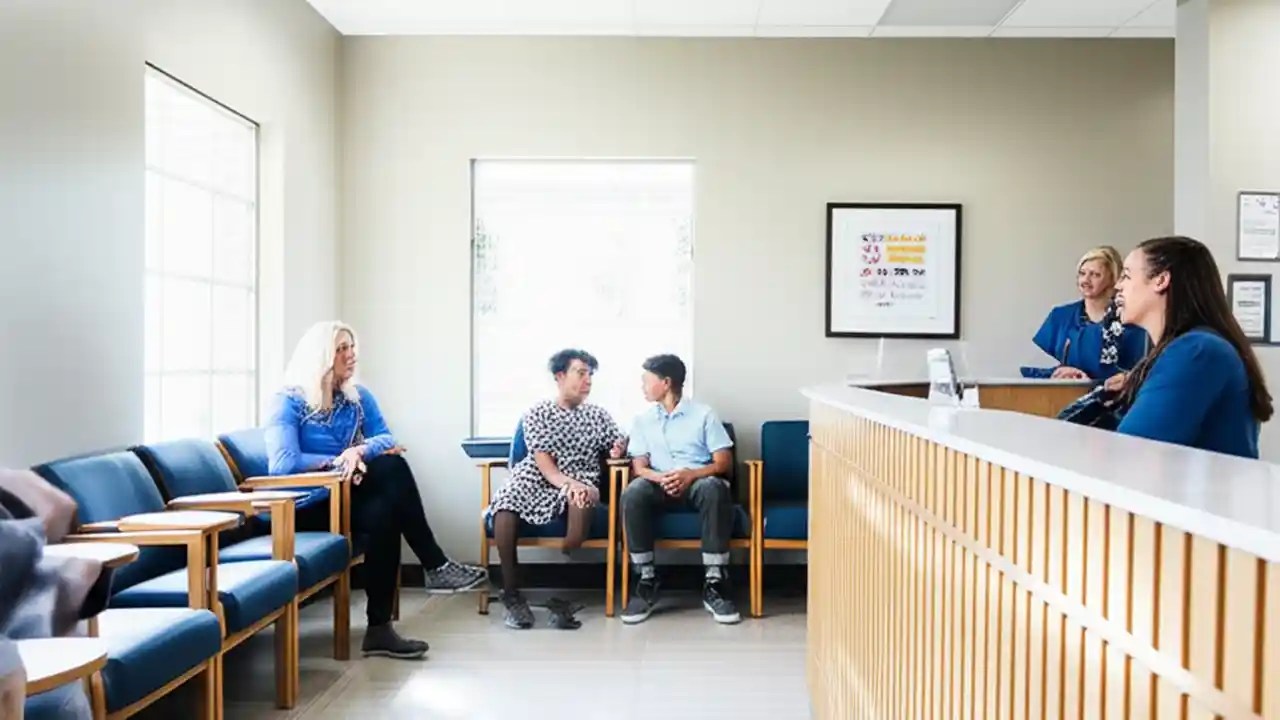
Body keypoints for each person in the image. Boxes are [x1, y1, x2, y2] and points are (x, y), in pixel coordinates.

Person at [266, 321, 486, 659]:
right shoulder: (288, 401)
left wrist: (359, 451)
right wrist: (340, 462)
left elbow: (386, 438)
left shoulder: (357, 397)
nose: (351, 355)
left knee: (387, 501)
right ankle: (435, 565)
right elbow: (283, 464)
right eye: (341, 349)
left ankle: (379, 630)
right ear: (321, 355)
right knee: (390, 471)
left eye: (352, 348)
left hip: (344, 497)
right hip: (306, 506)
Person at [485, 349, 627, 630]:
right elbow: (546, 467)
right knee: (506, 502)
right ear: (560, 376)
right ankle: (511, 594)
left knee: (581, 499)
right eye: (581, 373)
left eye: (590, 375)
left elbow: (617, 447)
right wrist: (569, 484)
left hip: (581, 477)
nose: (588, 380)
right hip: (538, 476)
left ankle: (562, 582)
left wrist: (617, 450)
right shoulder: (538, 413)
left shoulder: (598, 415)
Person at [1112, 236, 1272, 458]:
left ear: (1161, 280)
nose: (1117, 286)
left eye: (1126, 276)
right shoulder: (1192, 348)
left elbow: (1133, 451)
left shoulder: (1197, 351)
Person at [619, 354, 739, 625]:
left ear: (666, 382)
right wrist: (661, 478)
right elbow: (639, 466)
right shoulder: (642, 420)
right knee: (633, 492)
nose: (642, 386)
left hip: (697, 481)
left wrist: (689, 475)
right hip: (658, 483)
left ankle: (715, 581)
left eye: (646, 380)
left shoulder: (704, 415)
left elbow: (723, 462)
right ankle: (646, 578)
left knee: (714, 487)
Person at [1022, 246, 1149, 381]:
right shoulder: (1060, 317)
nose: (1086, 280)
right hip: (1066, 392)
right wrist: (1059, 372)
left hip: (1115, 392)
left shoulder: (1130, 320)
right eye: (1082, 273)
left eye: (1095, 275)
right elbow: (1034, 367)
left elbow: (1143, 371)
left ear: (1113, 279)